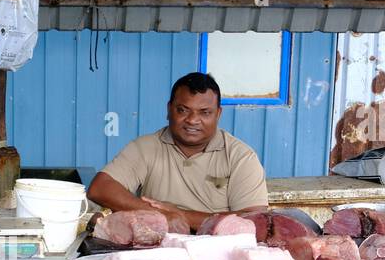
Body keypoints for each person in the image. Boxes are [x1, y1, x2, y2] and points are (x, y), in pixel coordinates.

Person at [87, 72, 269, 232]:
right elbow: (100, 188)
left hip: (219, 251)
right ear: (169, 109)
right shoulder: (146, 146)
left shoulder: (240, 157)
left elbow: (257, 223)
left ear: (218, 114)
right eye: (183, 110)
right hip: (157, 248)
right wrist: (161, 215)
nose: (192, 120)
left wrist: (180, 216)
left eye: (204, 113)